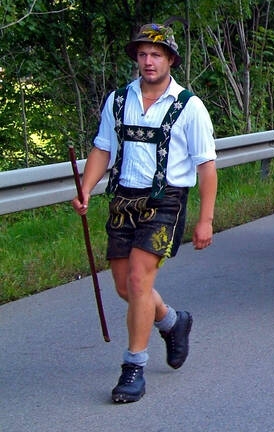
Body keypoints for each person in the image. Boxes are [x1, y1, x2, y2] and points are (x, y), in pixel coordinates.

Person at [71, 21, 218, 404]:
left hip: (166, 201)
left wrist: (205, 220)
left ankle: (133, 367)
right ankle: (172, 321)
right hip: (123, 200)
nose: (148, 61)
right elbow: (103, 148)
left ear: (170, 59)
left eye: (156, 54)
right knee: (125, 287)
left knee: (139, 281)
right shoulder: (118, 100)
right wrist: (85, 188)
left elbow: (206, 167)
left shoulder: (189, 107)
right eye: (142, 54)